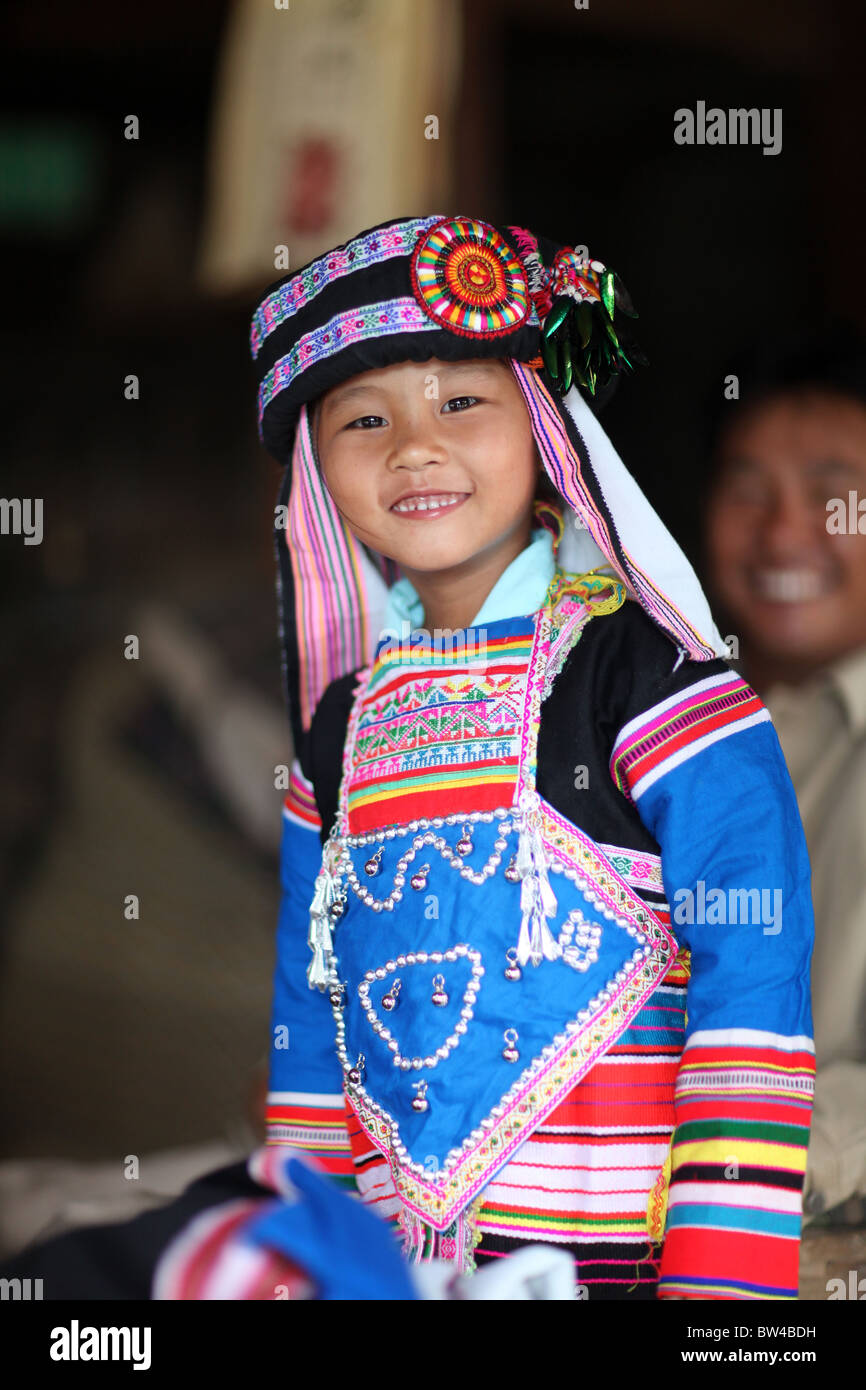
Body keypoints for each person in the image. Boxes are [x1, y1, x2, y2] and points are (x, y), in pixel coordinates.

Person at [1, 214, 815, 1300]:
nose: (413, 447)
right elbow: (308, 1025)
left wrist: (721, 1299)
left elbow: (750, 994)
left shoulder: (650, 680)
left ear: (543, 429)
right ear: (314, 469)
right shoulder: (339, 731)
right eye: (363, 418)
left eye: (461, 401)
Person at [703, 333, 866, 1223]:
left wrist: (720, 1140)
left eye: (834, 496)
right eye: (747, 490)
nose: (783, 533)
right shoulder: (665, 737)